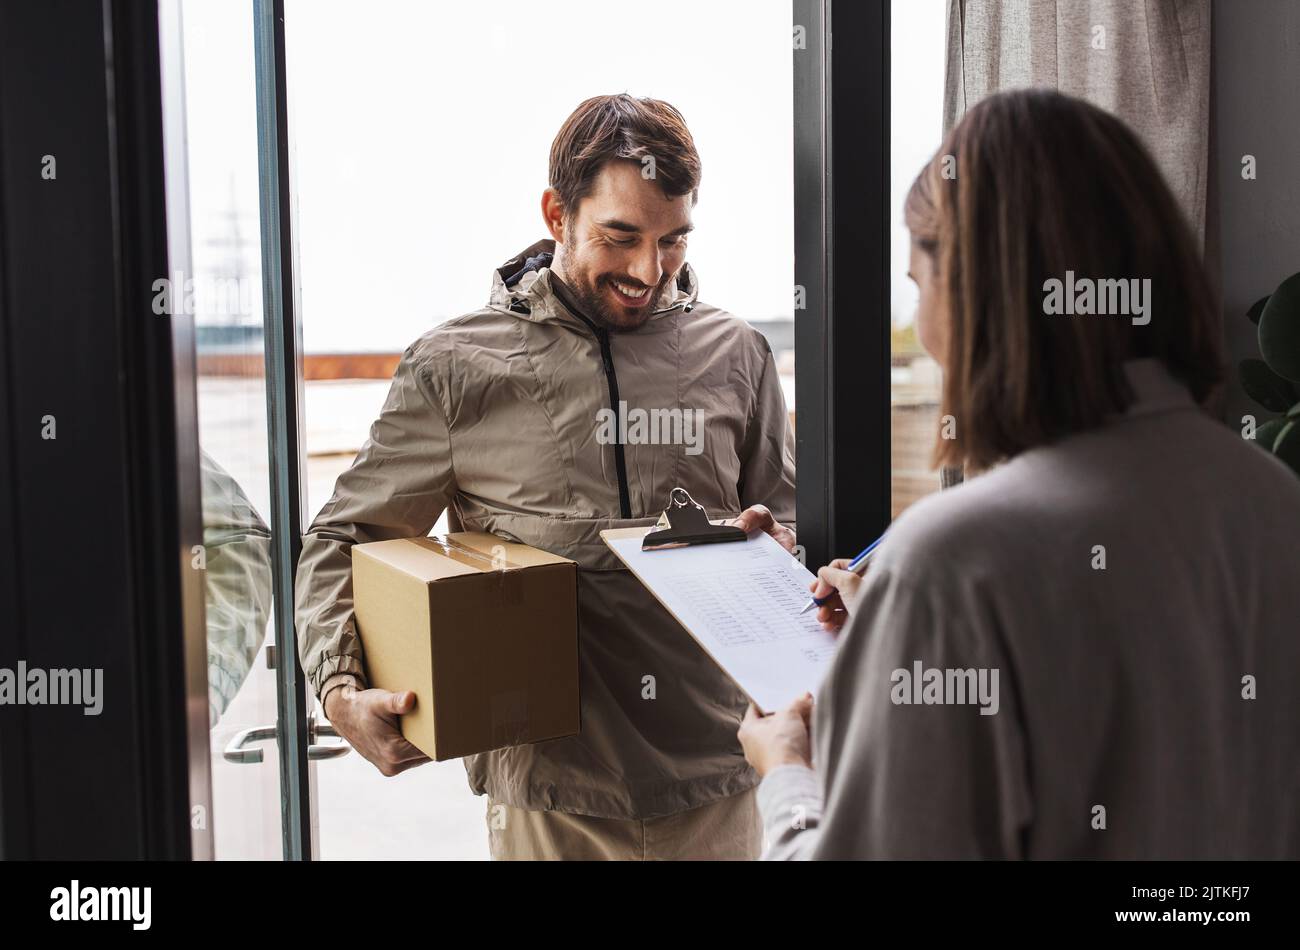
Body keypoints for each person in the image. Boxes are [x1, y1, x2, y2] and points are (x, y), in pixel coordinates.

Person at [739, 88, 1300, 859]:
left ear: (973, 288)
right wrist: (904, 625)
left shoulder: (957, 560)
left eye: (918, 282)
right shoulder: (1273, 497)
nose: (925, 329)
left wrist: (788, 774)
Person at [295, 94, 796, 860]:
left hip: (719, 785)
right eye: (620, 236)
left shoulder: (739, 354)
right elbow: (345, 536)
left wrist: (782, 551)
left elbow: (794, 533)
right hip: (549, 801)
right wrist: (339, 691)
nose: (648, 271)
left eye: (672, 241)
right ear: (556, 214)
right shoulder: (457, 365)